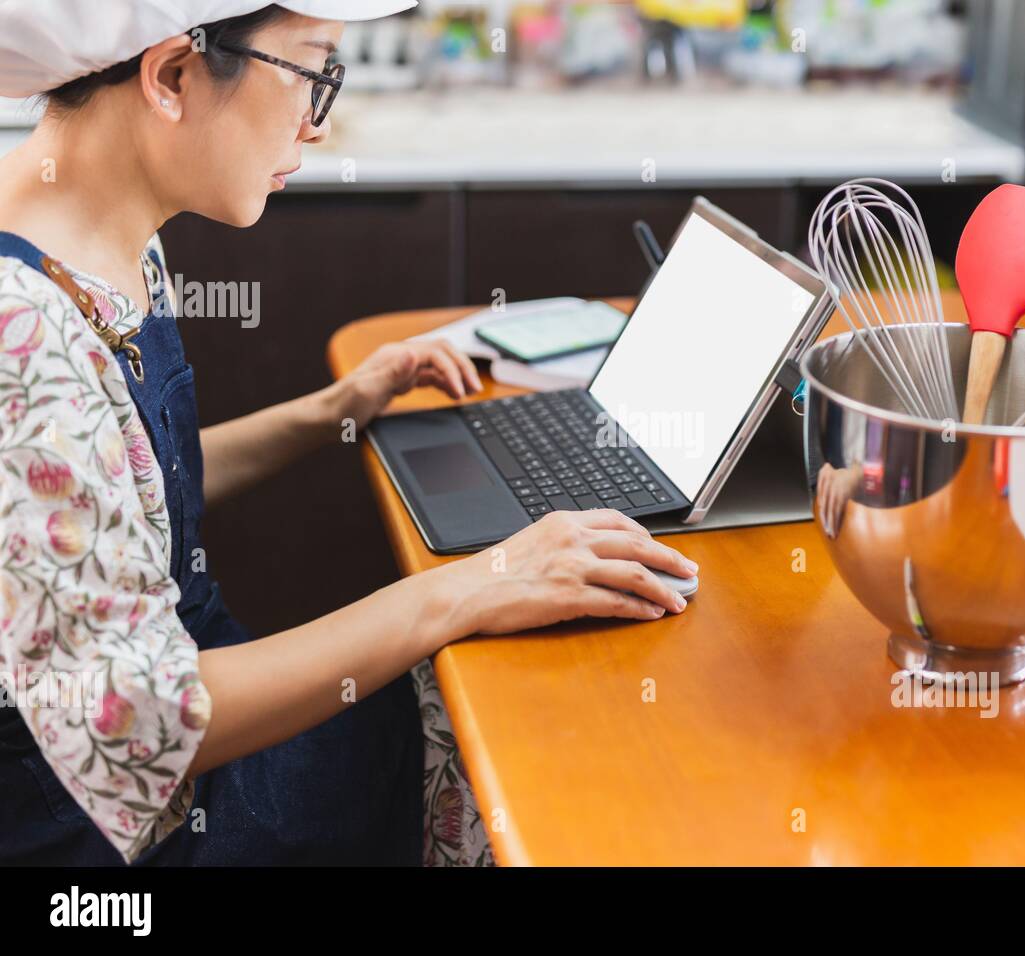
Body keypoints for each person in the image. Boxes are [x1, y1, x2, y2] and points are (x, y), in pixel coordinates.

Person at [0, 0, 697, 866]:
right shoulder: (20, 330)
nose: (319, 126)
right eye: (314, 72)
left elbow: (126, 499)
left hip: (203, 738)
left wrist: (338, 408)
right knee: (532, 763)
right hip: (127, 835)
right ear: (173, 77)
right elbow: (141, 720)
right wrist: (472, 587)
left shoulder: (101, 236)